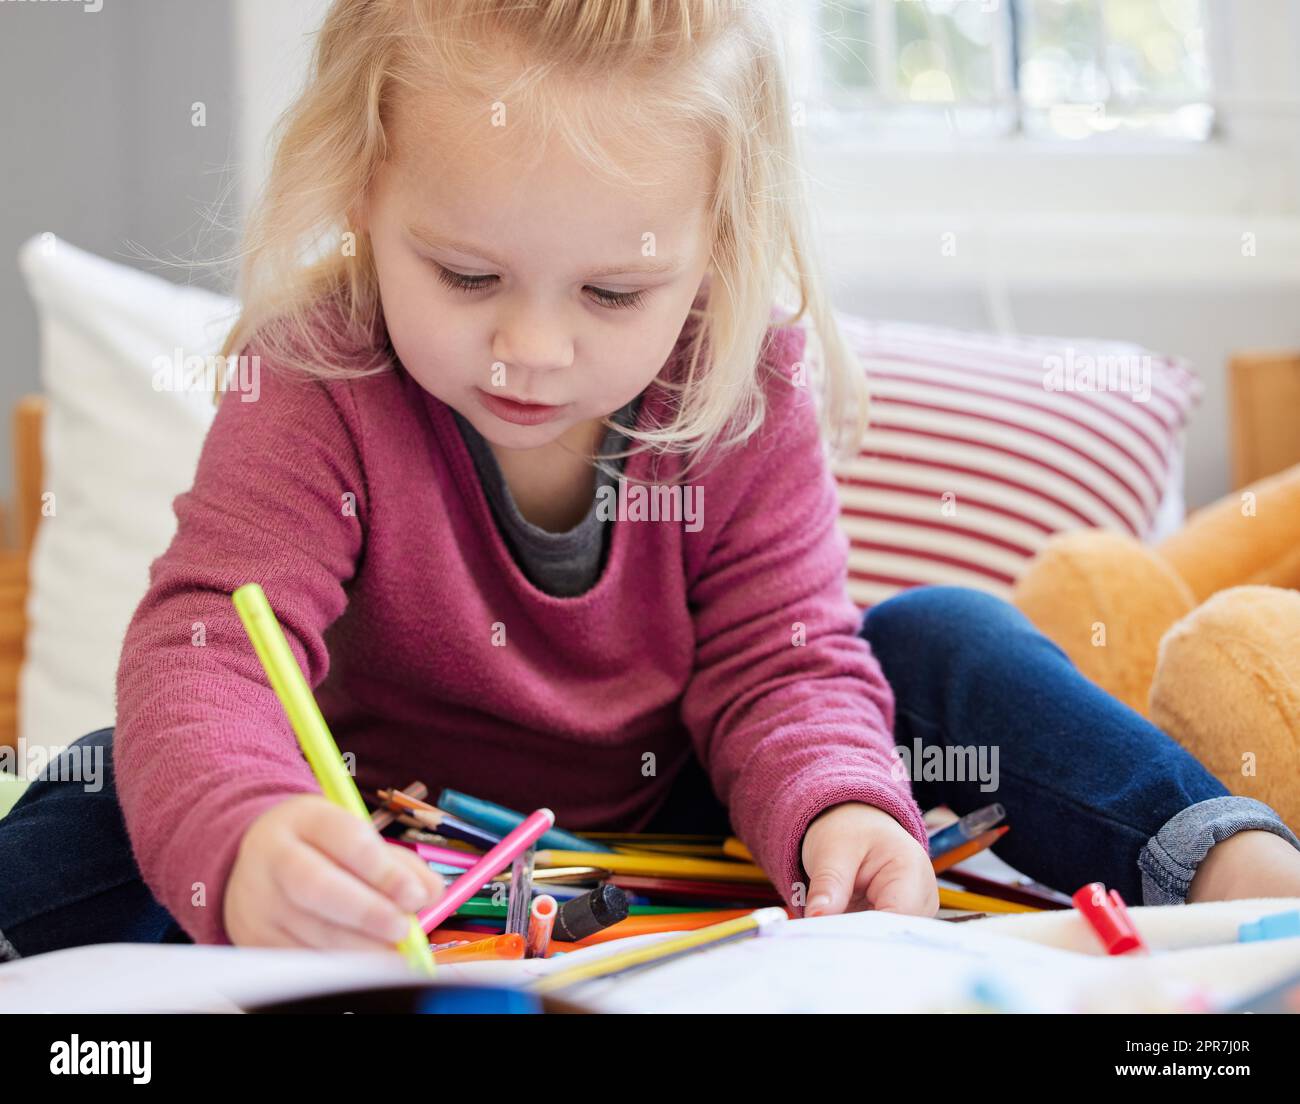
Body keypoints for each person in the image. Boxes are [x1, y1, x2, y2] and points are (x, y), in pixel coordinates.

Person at [2, 0, 1297, 961]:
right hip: (370, 840)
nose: (533, 349)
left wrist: (840, 808)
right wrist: (248, 844)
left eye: (615, 293)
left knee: (941, 637)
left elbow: (783, 665)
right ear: (362, 192)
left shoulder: (746, 384)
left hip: (695, 830)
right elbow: (208, 641)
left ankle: (1229, 865)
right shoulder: (313, 376)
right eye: (465, 276)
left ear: (715, 252)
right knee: (123, 777)